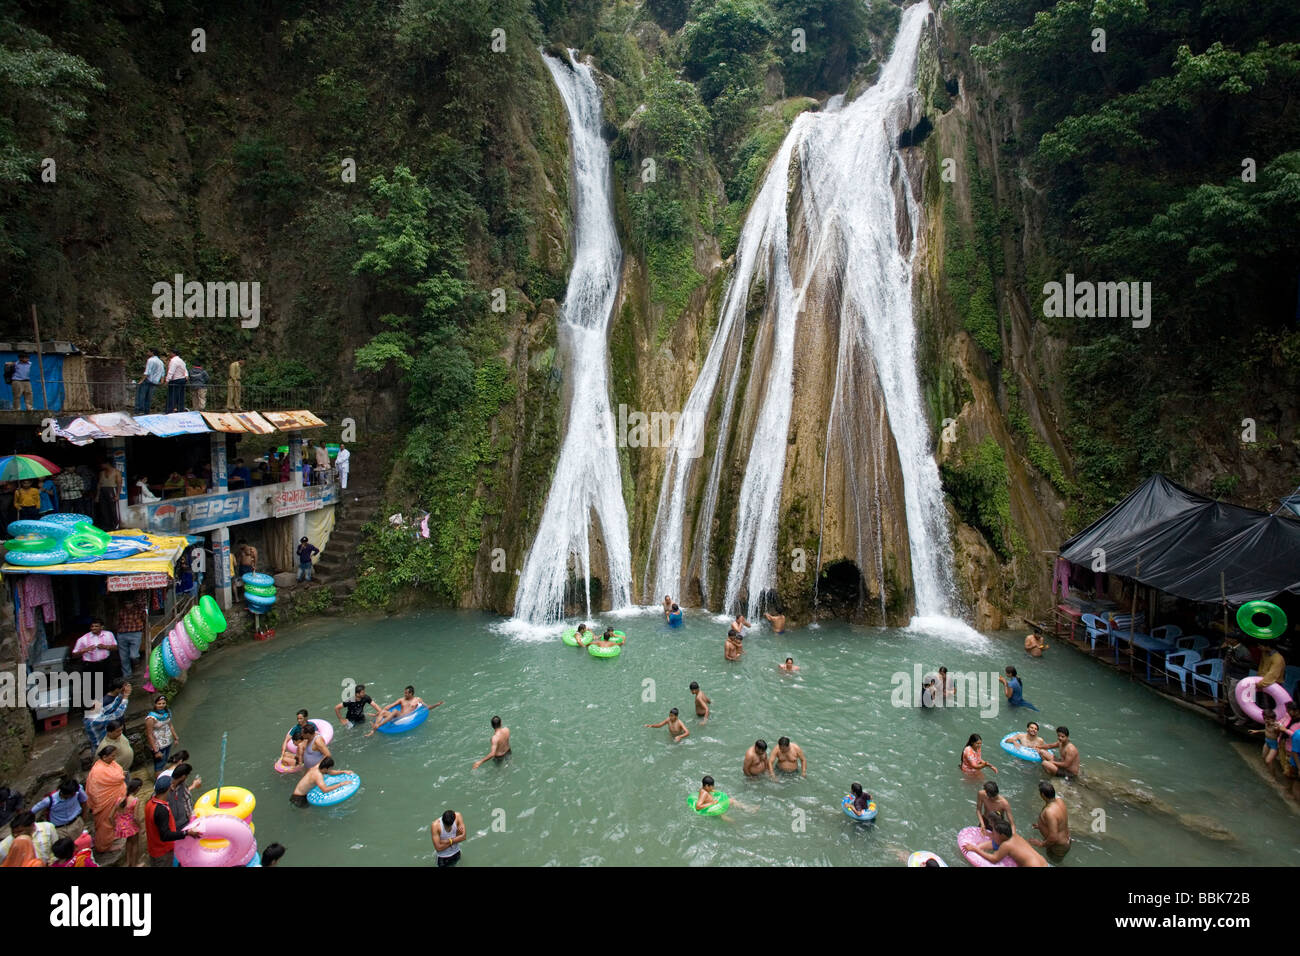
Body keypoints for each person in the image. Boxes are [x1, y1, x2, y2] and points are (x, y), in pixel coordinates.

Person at [145, 777, 198, 866]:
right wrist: (186, 833)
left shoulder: (149, 803)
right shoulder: (162, 810)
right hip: (163, 851)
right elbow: (165, 835)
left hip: (153, 848)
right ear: (169, 788)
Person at [87, 746, 127, 854]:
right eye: (112, 756)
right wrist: (121, 776)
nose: (114, 758)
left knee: (112, 821)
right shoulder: (97, 771)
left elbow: (119, 773)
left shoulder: (111, 763)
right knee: (105, 825)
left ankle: (111, 838)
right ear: (104, 757)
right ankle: (103, 846)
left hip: (113, 801)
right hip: (104, 803)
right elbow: (95, 790)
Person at [961, 817, 1048, 867]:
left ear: (1002, 835)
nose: (993, 835)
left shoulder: (1006, 845)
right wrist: (988, 834)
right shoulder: (1015, 836)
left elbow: (994, 860)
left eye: (994, 833)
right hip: (1044, 863)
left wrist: (975, 849)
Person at [367, 686, 441, 736]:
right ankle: (373, 730)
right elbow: (389, 706)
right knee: (383, 712)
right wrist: (378, 713)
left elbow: (427, 707)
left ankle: (378, 725)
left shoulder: (417, 700)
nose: (404, 694)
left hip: (406, 717)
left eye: (406, 693)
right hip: (399, 715)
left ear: (411, 693)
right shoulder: (401, 700)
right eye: (404, 692)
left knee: (395, 711)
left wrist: (436, 705)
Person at [83, 678, 130, 750]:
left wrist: (122, 695)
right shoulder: (95, 720)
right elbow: (117, 714)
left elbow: (111, 706)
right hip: (101, 747)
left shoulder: (95, 712)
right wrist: (126, 696)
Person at [1028, 781, 1071, 858]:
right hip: (1065, 840)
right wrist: (1041, 826)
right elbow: (1059, 821)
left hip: (1058, 847)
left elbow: (1053, 837)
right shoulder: (1060, 801)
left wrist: (1040, 844)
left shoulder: (1049, 812)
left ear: (1043, 795)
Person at [72, 619, 117, 691]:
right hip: (90, 666)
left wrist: (105, 647)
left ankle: (105, 700)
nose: (93, 628)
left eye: (96, 626)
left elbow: (115, 647)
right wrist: (85, 650)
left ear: (102, 627)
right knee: (92, 687)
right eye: (92, 626)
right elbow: (74, 655)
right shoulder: (83, 639)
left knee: (106, 684)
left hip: (105, 663)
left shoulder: (109, 634)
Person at [116, 592, 147, 679]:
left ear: (133, 603)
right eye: (126, 603)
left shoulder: (139, 611)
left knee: (134, 655)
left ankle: (137, 666)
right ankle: (127, 676)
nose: (128, 605)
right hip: (122, 634)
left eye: (130, 603)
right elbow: (118, 622)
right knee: (123, 657)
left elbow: (145, 620)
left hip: (135, 633)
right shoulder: (121, 611)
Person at [145, 694, 179, 774]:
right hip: (158, 744)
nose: (161, 705)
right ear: (155, 704)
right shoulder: (151, 718)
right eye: (159, 704)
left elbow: (170, 725)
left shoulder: (167, 712)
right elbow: (149, 734)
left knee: (165, 761)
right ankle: (158, 782)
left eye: (163, 703)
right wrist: (156, 751)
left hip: (167, 741)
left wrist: (175, 737)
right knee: (159, 766)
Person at [116, 777, 145, 868]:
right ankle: (135, 864)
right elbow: (136, 817)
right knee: (135, 844)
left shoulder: (121, 799)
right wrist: (141, 827)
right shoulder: (135, 801)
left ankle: (128, 862)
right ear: (137, 789)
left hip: (122, 825)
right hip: (131, 826)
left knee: (128, 842)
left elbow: (113, 814)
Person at [165, 762, 202, 828]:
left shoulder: (182, 786)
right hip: (171, 824)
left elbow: (187, 801)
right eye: (187, 775)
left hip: (181, 822)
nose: (187, 778)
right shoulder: (165, 786)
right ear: (183, 776)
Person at [136, 348, 165, 413]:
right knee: (149, 397)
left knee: (141, 396)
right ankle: (147, 410)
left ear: (152, 352)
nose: (147, 353)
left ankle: (140, 410)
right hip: (155, 381)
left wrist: (141, 380)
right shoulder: (160, 362)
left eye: (148, 351)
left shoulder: (150, 360)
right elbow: (163, 372)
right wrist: (162, 381)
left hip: (148, 380)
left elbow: (147, 372)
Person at [96, 459, 121, 530]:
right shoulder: (102, 473)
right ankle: (107, 526)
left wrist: (117, 495)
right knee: (103, 509)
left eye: (102, 464)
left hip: (111, 490)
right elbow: (99, 484)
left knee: (113, 509)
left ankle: (115, 525)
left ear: (107, 463)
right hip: (103, 491)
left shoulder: (116, 472)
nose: (101, 466)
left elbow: (119, 484)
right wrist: (97, 496)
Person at [165, 349, 188, 413]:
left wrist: (167, 380)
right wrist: (186, 375)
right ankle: (180, 409)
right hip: (182, 379)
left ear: (173, 353)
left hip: (176, 380)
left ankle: (169, 410)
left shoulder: (173, 361)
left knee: (172, 396)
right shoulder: (181, 361)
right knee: (180, 396)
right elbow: (185, 370)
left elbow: (171, 371)